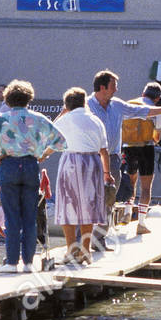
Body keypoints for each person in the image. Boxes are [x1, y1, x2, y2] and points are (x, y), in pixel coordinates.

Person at [0, 80, 67, 273]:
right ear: (29, 98)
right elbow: (61, 141)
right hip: (31, 165)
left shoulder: (0, 119)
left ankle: (11, 262)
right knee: (29, 216)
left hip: (8, 166)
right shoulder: (38, 118)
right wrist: (43, 154)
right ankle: (28, 262)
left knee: (12, 215)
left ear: (8, 98)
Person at [87, 70, 161, 216]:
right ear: (102, 87)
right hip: (97, 158)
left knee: (117, 193)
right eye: (113, 86)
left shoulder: (120, 104)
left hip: (120, 153)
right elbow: (156, 135)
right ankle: (139, 221)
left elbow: (137, 112)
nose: (116, 89)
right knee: (143, 188)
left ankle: (118, 218)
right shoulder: (86, 105)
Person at [52, 86, 111, 265]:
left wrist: (62, 114)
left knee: (67, 205)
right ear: (84, 102)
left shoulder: (66, 119)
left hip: (71, 161)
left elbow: (50, 134)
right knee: (89, 206)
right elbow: (104, 150)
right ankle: (86, 251)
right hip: (93, 162)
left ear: (67, 105)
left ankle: (71, 251)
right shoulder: (96, 120)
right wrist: (107, 173)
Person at [124, 81, 161, 215]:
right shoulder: (157, 111)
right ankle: (141, 222)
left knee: (131, 181)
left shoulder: (128, 105)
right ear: (157, 98)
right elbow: (157, 138)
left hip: (128, 147)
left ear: (143, 93)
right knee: (146, 187)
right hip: (146, 148)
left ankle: (127, 211)